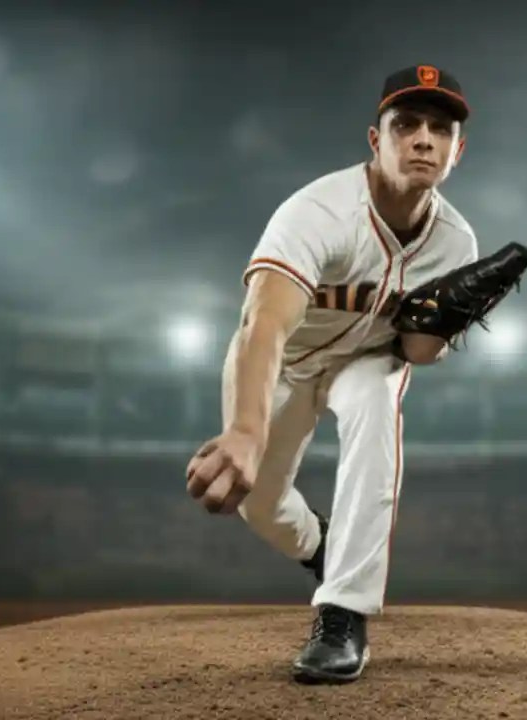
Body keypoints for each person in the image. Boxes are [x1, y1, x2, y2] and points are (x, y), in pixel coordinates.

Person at [185, 64, 479, 684]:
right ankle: (323, 549)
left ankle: (343, 613)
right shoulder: (318, 212)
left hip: (368, 361)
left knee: (376, 404)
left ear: (458, 148)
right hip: (287, 362)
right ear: (376, 140)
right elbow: (262, 325)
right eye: (406, 124)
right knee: (258, 503)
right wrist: (244, 430)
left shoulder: (457, 245)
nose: (423, 138)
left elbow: (418, 354)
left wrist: (438, 329)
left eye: (440, 127)